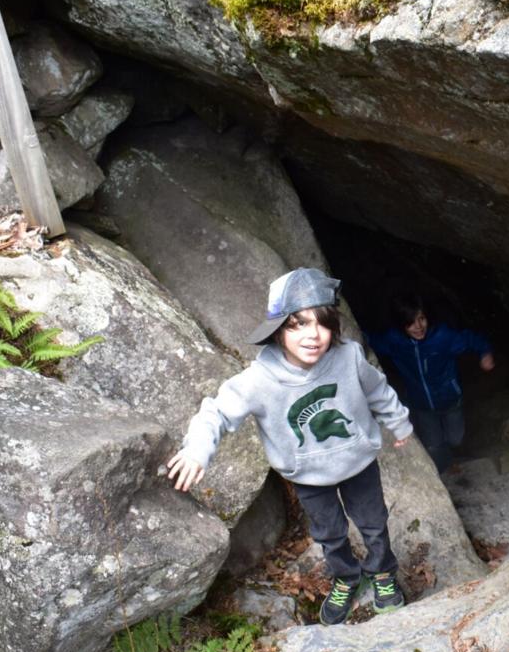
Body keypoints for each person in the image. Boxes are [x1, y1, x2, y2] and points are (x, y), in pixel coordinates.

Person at [166, 268, 414, 625]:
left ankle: (383, 573)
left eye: (322, 323)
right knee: (329, 533)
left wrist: (398, 421)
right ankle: (346, 577)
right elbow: (216, 412)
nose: (313, 335)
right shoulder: (259, 380)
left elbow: (377, 389)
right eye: (298, 324)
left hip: (358, 462)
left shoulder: (349, 357)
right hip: (308, 476)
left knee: (374, 523)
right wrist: (196, 450)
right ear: (278, 329)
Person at [368, 293, 494, 473]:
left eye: (421, 319)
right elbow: (369, 339)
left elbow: (471, 339)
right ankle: (445, 473)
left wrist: (486, 352)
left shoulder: (442, 337)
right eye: (411, 322)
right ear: (401, 324)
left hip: (450, 401)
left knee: (455, 439)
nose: (418, 326)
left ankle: (453, 455)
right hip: (421, 406)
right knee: (434, 444)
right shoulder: (395, 341)